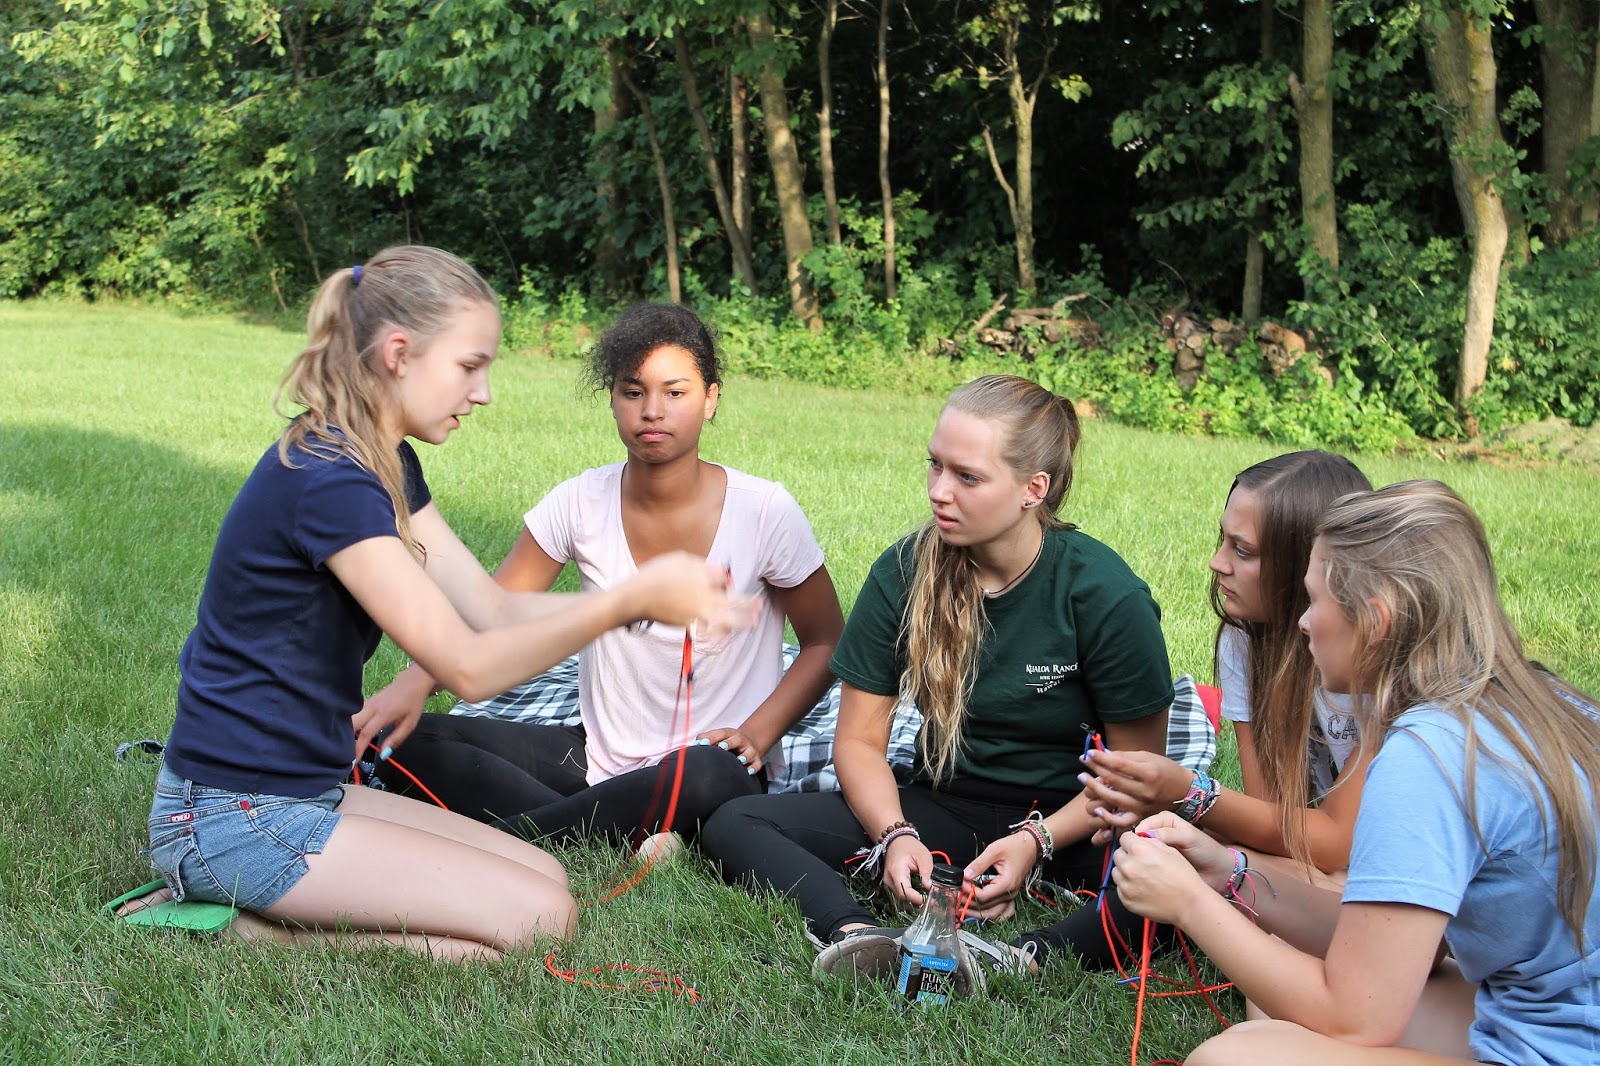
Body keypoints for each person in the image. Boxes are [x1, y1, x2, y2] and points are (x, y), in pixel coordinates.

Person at [120, 249, 742, 960]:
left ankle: (250, 900)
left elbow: (492, 609)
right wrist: (627, 597)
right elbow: (470, 667)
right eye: (469, 366)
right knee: (540, 923)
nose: (483, 393)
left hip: (303, 789)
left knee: (548, 874)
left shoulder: (383, 461)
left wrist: (640, 605)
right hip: (232, 816)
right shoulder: (330, 479)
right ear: (398, 355)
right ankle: (248, 928)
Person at [701, 374, 1176, 978]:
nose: (938, 491)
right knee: (738, 820)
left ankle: (1019, 962)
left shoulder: (1104, 594)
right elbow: (859, 741)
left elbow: (1138, 781)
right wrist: (896, 834)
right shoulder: (902, 571)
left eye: (967, 477)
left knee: (1179, 867)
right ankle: (856, 933)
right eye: (935, 466)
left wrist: (1037, 842)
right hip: (945, 803)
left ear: (1035, 488)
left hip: (1074, 820)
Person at [1112, 480, 1600, 1065]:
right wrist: (1225, 872)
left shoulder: (1430, 758)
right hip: (1539, 1009)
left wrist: (1189, 902)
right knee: (1277, 995)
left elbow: (1355, 1015)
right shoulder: (1542, 702)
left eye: (1315, 600)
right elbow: (1395, 945)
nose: (1303, 623)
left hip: (1560, 1046)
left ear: (1375, 620)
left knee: (1232, 1058)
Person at [370, 302, 843, 855]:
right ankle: (616, 827)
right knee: (403, 741)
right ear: (613, 399)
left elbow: (827, 640)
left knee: (702, 775)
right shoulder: (578, 501)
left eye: (676, 392)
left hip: (714, 768)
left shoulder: (764, 510)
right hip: (596, 759)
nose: (653, 411)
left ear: (711, 399)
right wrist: (416, 681)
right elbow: (491, 612)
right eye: (633, 391)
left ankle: (512, 842)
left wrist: (757, 735)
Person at [1079, 451, 1373, 884]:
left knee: (1224, 871)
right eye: (1224, 540)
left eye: (1244, 550)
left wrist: (1190, 793)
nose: (1218, 562)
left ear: (1307, 565)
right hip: (1330, 866)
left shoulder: (1383, 665)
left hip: (1400, 874)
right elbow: (1268, 817)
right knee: (1171, 850)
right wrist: (1166, 811)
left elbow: (1335, 843)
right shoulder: (1245, 637)